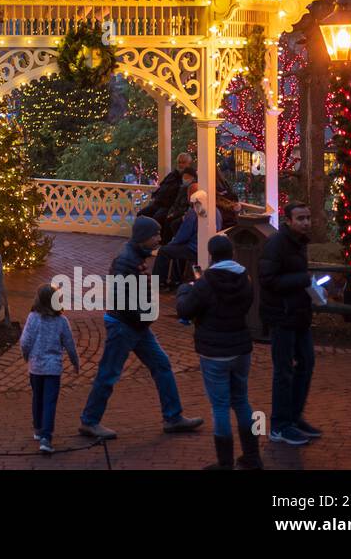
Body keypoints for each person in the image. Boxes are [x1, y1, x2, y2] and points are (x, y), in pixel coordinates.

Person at [78, 216, 204, 439]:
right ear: (143, 237)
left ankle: (173, 417)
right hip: (125, 326)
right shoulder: (126, 261)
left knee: (161, 365)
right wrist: (143, 317)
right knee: (109, 373)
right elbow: (119, 297)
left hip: (135, 326)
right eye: (155, 235)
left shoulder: (134, 256)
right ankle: (89, 421)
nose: (159, 238)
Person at [176, 234, 263, 470]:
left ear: (211, 255)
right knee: (242, 401)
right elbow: (246, 305)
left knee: (220, 406)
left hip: (214, 352)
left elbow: (185, 310)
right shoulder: (246, 278)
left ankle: (225, 463)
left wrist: (185, 289)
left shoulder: (205, 283)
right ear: (232, 253)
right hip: (240, 347)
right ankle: (253, 456)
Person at [259, 201, 321, 446]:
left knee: (306, 362)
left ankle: (294, 418)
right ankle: (280, 425)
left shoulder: (299, 243)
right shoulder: (276, 244)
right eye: (300, 218)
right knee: (283, 371)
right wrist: (303, 279)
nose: (306, 222)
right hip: (282, 316)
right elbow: (267, 279)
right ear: (288, 221)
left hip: (299, 314)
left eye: (308, 217)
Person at [21, 284, 80, 453]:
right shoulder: (62, 321)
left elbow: (25, 341)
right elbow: (69, 344)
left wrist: (27, 356)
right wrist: (75, 362)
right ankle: (46, 438)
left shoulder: (33, 318)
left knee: (37, 397)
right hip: (53, 369)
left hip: (36, 367)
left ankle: (38, 428)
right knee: (50, 401)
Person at [153, 186, 221, 288]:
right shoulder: (215, 210)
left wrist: (172, 243)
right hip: (209, 246)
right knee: (178, 249)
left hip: (194, 248)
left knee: (164, 251)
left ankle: (158, 282)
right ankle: (178, 279)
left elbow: (183, 236)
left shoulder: (194, 212)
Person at [141, 152, 192, 219]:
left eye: (183, 162)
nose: (181, 165)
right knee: (141, 215)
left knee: (156, 218)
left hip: (169, 206)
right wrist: (154, 196)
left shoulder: (188, 178)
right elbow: (161, 186)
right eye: (179, 162)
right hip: (157, 203)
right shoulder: (172, 175)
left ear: (189, 164)